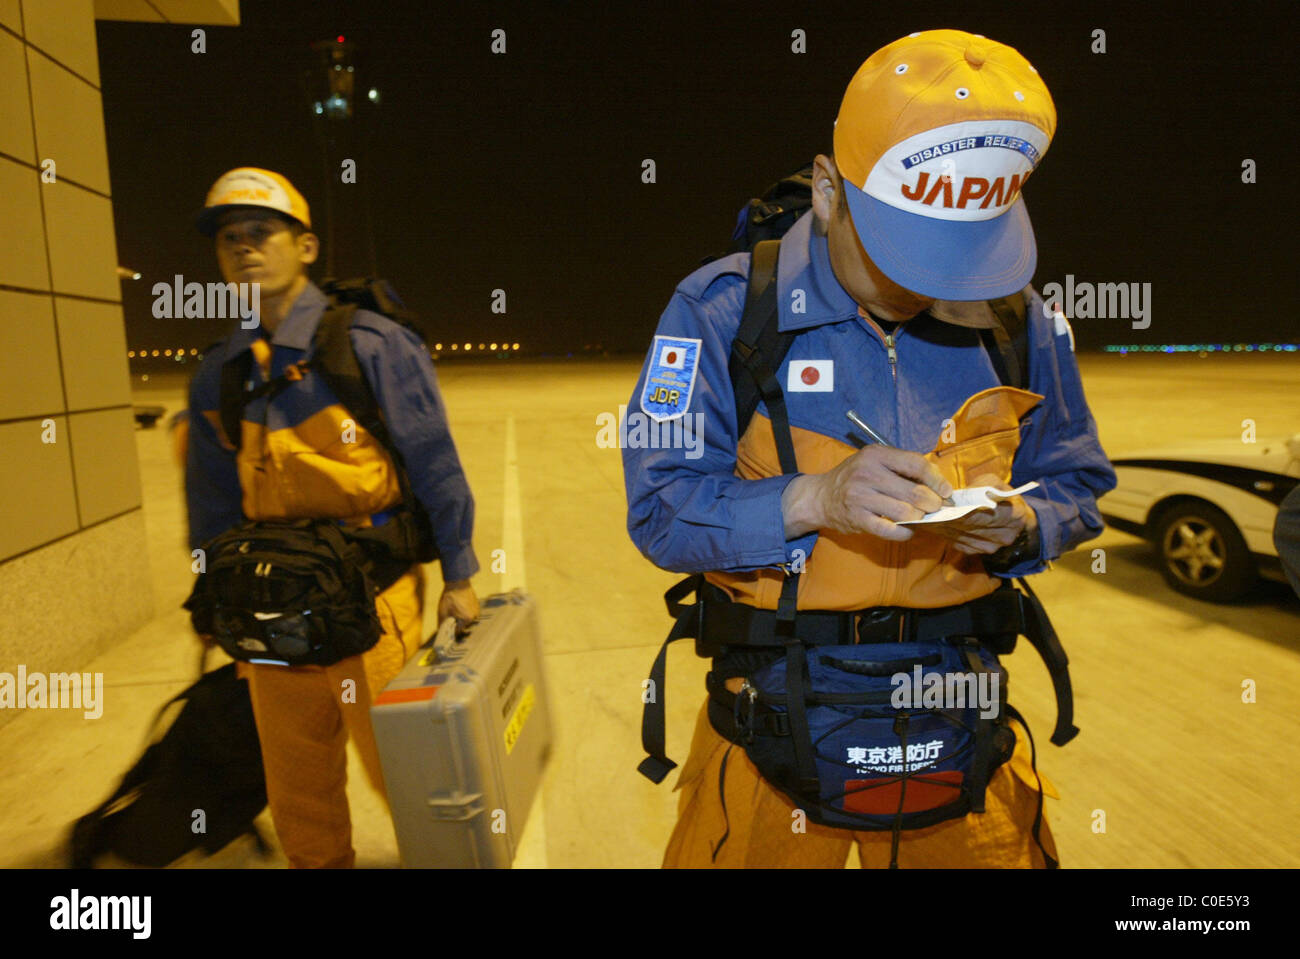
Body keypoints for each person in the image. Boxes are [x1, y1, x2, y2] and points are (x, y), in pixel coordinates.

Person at [623, 30, 1117, 868]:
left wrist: (1024, 526)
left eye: (961, 253)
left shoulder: (1016, 317)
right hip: (769, 720)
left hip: (960, 708)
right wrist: (811, 499)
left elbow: (1078, 481)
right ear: (827, 190)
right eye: (904, 249)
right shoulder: (719, 311)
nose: (927, 286)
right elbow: (659, 509)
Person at [184, 167, 480, 868]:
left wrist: (460, 574)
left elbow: (436, 464)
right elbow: (212, 504)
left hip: (372, 606)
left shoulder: (370, 343)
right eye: (230, 237)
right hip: (269, 618)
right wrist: (211, 600)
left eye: (263, 232)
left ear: (307, 245)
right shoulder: (219, 371)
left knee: (415, 781)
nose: (244, 247)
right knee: (299, 795)